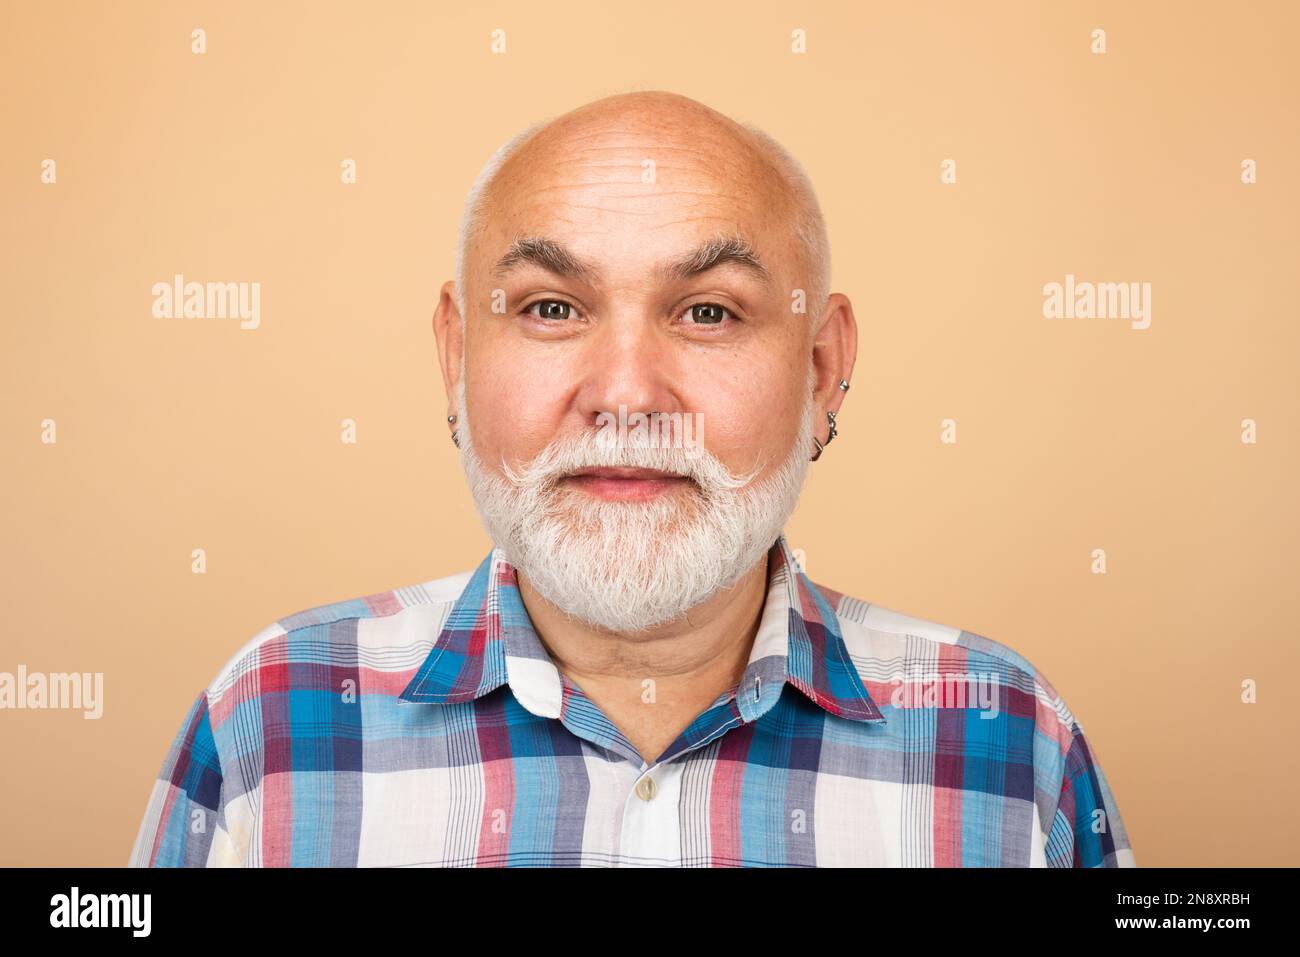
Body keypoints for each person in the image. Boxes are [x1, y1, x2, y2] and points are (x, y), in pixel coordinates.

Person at [129, 90, 1134, 867]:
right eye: (552, 308)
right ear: (457, 357)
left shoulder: (1007, 737)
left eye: (708, 313)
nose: (623, 395)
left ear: (821, 370)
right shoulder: (272, 718)